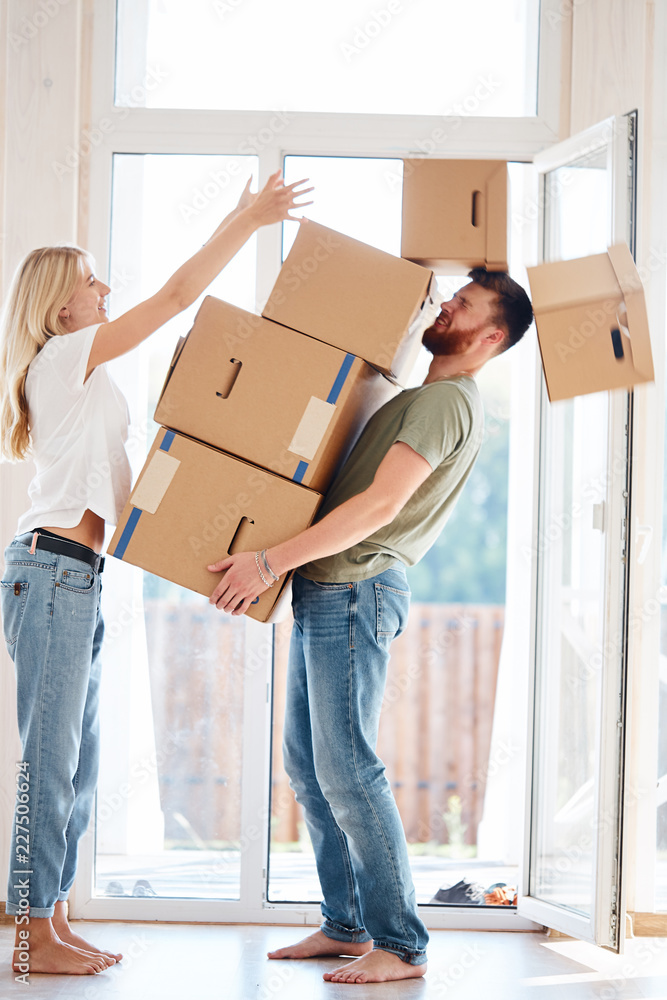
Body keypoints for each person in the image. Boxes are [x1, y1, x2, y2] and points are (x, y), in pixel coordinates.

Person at [0, 171, 312, 977]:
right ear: (57, 305)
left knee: (80, 759)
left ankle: (55, 925)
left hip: (78, 577)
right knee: (51, 758)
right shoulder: (65, 355)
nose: (104, 288)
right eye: (89, 280)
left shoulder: (83, 374)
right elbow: (176, 295)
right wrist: (247, 218)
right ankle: (30, 940)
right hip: (50, 574)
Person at [208, 269, 533, 986]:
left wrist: (267, 563)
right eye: (451, 297)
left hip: (354, 589)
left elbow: (379, 507)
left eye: (464, 306)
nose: (446, 306)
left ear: (489, 339)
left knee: (349, 771)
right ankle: (346, 924)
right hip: (329, 589)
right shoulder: (427, 395)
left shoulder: (446, 401)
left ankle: (401, 943)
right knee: (311, 765)